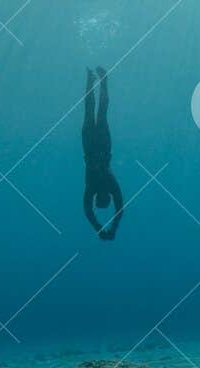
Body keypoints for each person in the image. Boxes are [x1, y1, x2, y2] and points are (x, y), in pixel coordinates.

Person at [82, 67, 123, 240]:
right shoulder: (110, 184)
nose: (104, 195)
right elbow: (120, 209)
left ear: (98, 197)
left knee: (91, 111)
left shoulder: (92, 187)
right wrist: (108, 228)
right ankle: (101, 81)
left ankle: (91, 80)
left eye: (101, 198)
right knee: (99, 112)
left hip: (91, 147)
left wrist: (99, 228)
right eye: (106, 199)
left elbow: (87, 210)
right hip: (102, 147)